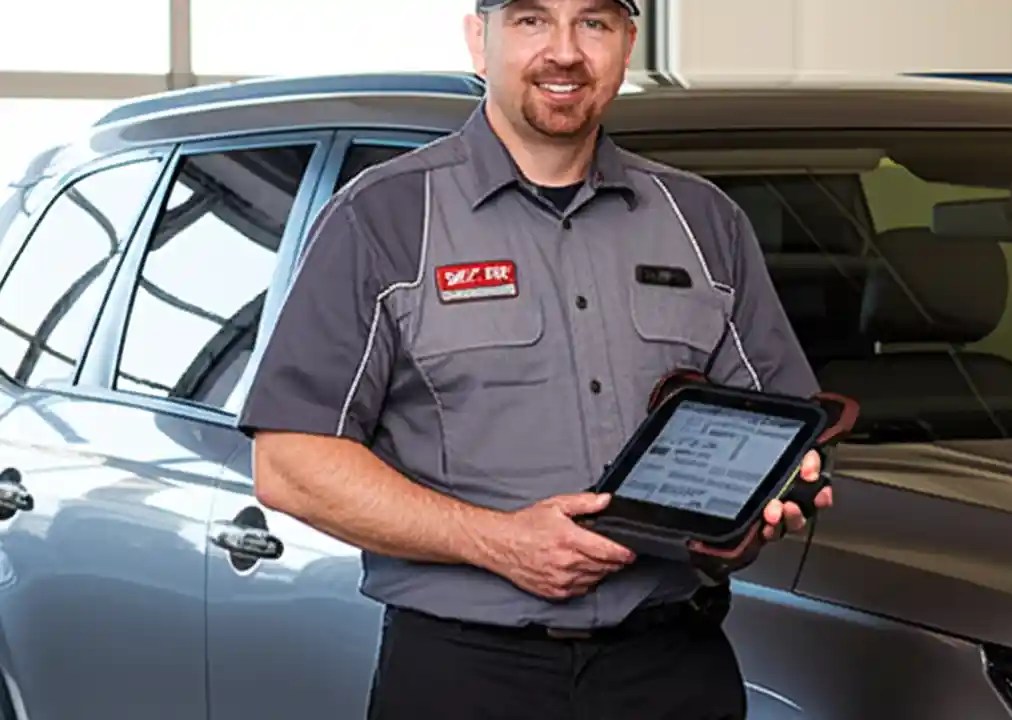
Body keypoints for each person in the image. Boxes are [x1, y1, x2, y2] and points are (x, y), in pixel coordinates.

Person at [236, 0, 835, 717]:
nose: (565, 52)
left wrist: (762, 508)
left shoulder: (704, 222)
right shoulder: (382, 219)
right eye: (530, 20)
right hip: (466, 675)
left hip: (671, 666)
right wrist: (496, 542)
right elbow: (289, 462)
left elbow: (780, 424)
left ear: (627, 44)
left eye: (594, 23)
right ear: (478, 40)